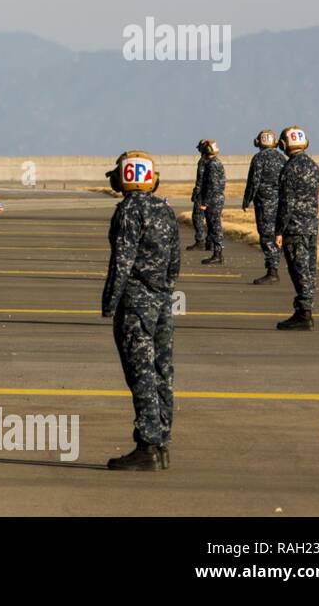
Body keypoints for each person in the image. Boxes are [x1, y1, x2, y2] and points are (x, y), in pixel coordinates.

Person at [101, 151, 180, 471]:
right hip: (162, 300)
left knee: (141, 372)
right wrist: (164, 288)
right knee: (163, 370)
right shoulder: (165, 210)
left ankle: (147, 444)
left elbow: (122, 261)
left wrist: (109, 302)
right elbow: (175, 262)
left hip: (135, 302)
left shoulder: (127, 212)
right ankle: (161, 440)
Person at [275, 126, 319, 330]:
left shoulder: (289, 168)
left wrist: (278, 230)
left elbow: (287, 203)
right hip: (311, 226)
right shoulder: (313, 166)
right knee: (309, 269)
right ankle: (306, 309)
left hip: (294, 227)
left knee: (298, 269)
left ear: (284, 145)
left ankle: (303, 313)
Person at [243, 129, 287, 284]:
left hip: (264, 203)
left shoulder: (258, 158)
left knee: (266, 236)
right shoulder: (282, 158)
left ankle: (272, 271)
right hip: (280, 202)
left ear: (258, 142)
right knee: (278, 234)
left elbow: (253, 181)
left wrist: (246, 200)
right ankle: (275, 266)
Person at [196, 139, 226, 264]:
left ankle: (218, 254)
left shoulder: (212, 164)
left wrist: (205, 203)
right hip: (216, 198)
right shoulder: (214, 162)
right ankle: (216, 252)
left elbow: (211, 185)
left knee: (215, 226)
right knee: (213, 225)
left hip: (213, 200)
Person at [186, 141, 209, 251]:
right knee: (211, 219)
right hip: (212, 195)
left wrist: (195, 194)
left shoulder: (203, 161)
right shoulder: (214, 161)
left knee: (197, 217)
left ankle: (200, 241)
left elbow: (200, 181)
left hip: (202, 195)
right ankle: (211, 242)